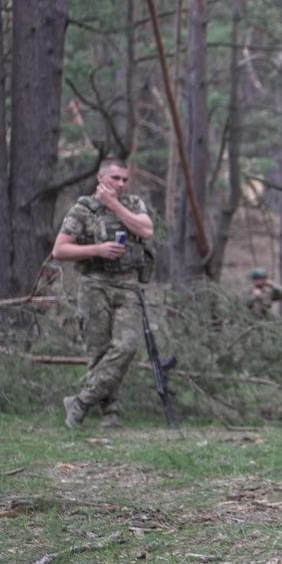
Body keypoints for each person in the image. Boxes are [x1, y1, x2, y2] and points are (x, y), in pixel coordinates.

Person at [53, 159, 158, 429]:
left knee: (126, 346)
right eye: (115, 178)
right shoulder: (83, 208)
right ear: (101, 178)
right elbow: (60, 250)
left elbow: (146, 229)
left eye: (125, 179)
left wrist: (114, 205)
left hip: (128, 285)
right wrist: (96, 251)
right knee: (99, 351)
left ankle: (80, 402)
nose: (121, 183)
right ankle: (111, 412)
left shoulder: (133, 205)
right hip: (94, 284)